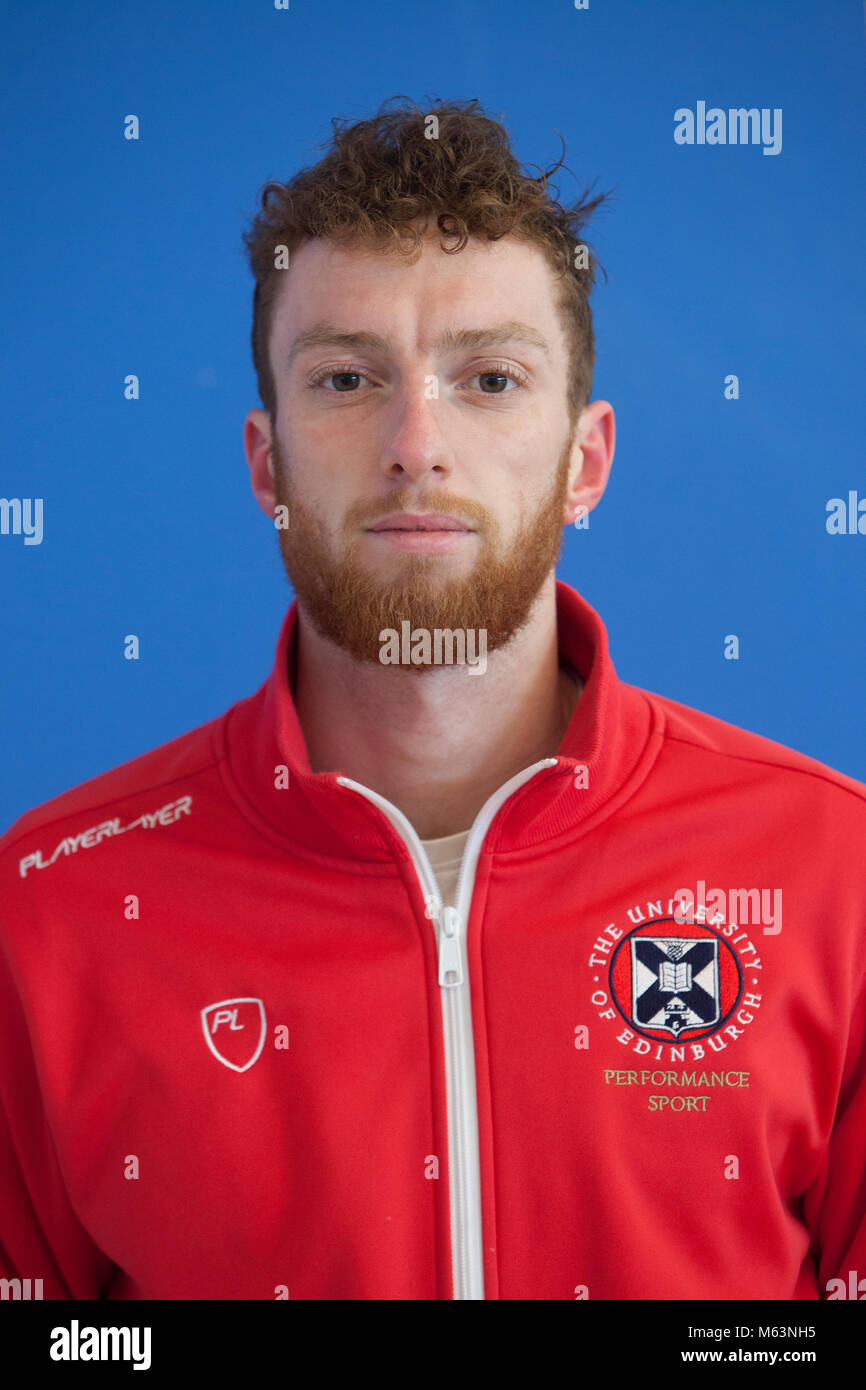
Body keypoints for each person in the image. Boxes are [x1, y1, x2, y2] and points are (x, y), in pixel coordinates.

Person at [1, 96, 864, 1302]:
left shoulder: (833, 873)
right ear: (267, 464)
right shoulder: (49, 911)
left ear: (584, 462)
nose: (416, 441)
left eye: (491, 378)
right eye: (348, 377)